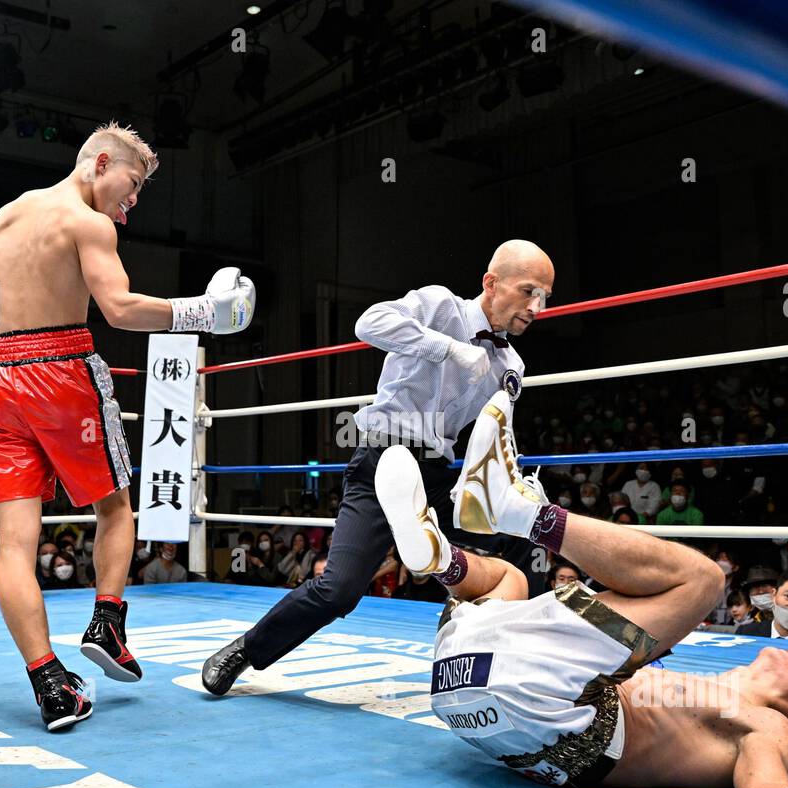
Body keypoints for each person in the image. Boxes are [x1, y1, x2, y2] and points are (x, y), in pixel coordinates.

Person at [371, 393, 788, 788]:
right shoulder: (704, 692)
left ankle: (515, 509)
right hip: (466, 692)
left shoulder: (771, 726)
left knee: (704, 581)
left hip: (562, 718)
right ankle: (440, 559)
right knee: (509, 582)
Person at [0, 121, 256, 730]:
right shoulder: (89, 223)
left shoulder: (7, 216)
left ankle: (51, 685)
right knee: (114, 509)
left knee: (14, 542)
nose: (133, 200)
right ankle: (107, 624)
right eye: (133, 183)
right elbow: (120, 309)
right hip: (61, 373)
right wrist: (204, 314)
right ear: (101, 161)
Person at [203, 240, 553, 695]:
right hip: (382, 459)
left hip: (438, 477)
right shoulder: (439, 306)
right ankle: (246, 650)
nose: (537, 307)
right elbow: (369, 323)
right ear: (491, 282)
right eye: (529, 291)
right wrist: (447, 349)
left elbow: (495, 435)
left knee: (530, 533)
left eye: (545, 297)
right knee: (340, 589)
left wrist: (516, 484)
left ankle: (542, 660)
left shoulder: (511, 364)